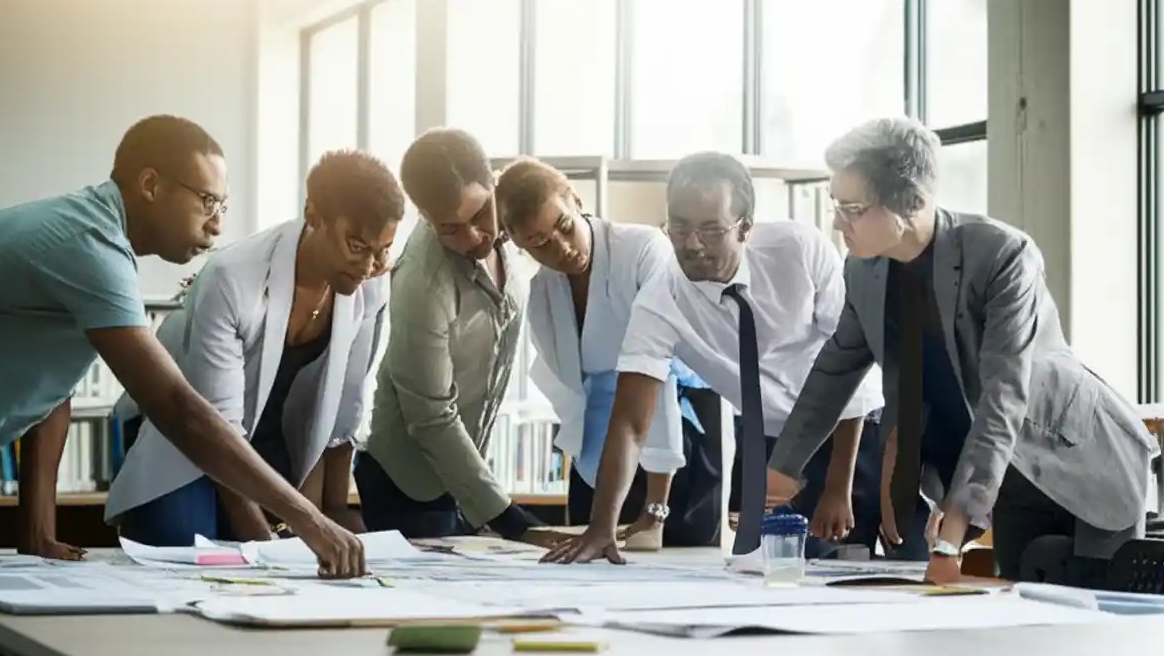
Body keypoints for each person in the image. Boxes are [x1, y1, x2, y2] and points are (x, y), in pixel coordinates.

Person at [0, 115, 364, 577]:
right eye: (208, 202)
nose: (217, 226)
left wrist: (37, 533)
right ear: (150, 184)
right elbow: (178, 408)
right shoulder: (90, 246)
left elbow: (53, 393)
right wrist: (309, 519)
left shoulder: (92, 239)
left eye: (223, 206)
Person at [768, 117, 1158, 586]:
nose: (836, 222)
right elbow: (836, 368)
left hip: (1078, 458)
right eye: (836, 204)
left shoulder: (1002, 256)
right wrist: (782, 468)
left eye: (852, 208)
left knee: (1101, 623)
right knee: (1024, 616)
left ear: (912, 203)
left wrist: (954, 526)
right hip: (1004, 476)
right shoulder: (864, 270)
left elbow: (1003, 394)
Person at [543, 151, 888, 565]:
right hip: (771, 444)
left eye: (711, 230)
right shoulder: (660, 299)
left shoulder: (797, 250)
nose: (691, 244)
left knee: (863, 569)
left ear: (745, 227)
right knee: (775, 575)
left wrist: (838, 486)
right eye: (680, 227)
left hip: (855, 433)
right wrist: (601, 527)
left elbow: (851, 364)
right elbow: (632, 420)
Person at [103, 149, 402, 546]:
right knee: (184, 547)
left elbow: (344, 406)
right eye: (356, 245)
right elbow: (216, 425)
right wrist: (264, 542)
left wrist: (331, 511)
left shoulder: (372, 282)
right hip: (187, 433)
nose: (369, 265)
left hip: (270, 440)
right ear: (314, 215)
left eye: (382, 249)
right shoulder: (232, 277)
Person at [354, 129, 567, 546]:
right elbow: (431, 416)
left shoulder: (509, 234)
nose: (472, 238)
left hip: (466, 481)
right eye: (450, 228)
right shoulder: (422, 282)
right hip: (409, 490)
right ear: (426, 216)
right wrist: (512, 521)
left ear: (493, 185)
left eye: (478, 215)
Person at [497, 157, 720, 548]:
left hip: (676, 449)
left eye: (564, 226)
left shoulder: (642, 250)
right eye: (539, 244)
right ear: (518, 244)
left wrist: (654, 509)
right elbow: (576, 397)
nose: (563, 249)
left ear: (576, 199)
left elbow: (658, 372)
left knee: (677, 566)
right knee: (589, 561)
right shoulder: (543, 296)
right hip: (600, 457)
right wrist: (601, 512)